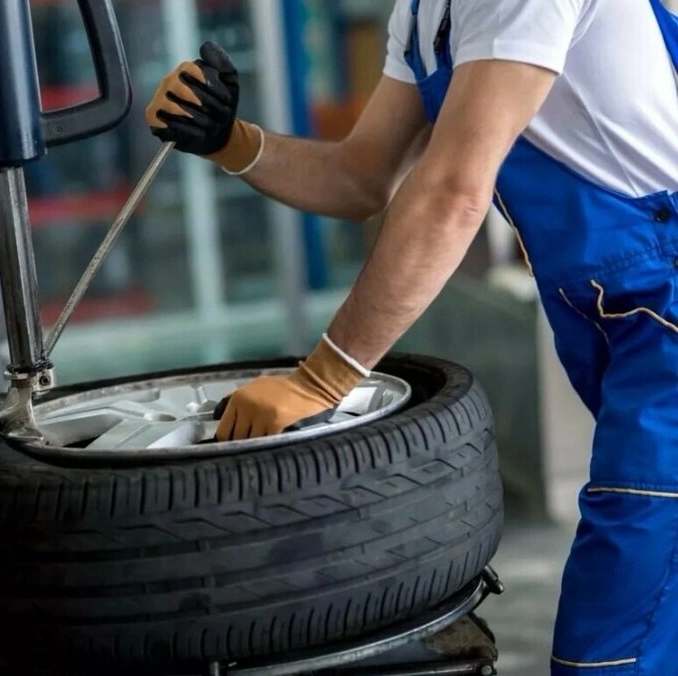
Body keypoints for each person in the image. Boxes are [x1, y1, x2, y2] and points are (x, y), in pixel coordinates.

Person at [145, 0, 678, 673]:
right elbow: (361, 176)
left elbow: (455, 189)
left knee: (613, 641)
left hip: (664, 316)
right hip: (625, 323)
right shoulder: (425, 13)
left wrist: (324, 377)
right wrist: (231, 140)